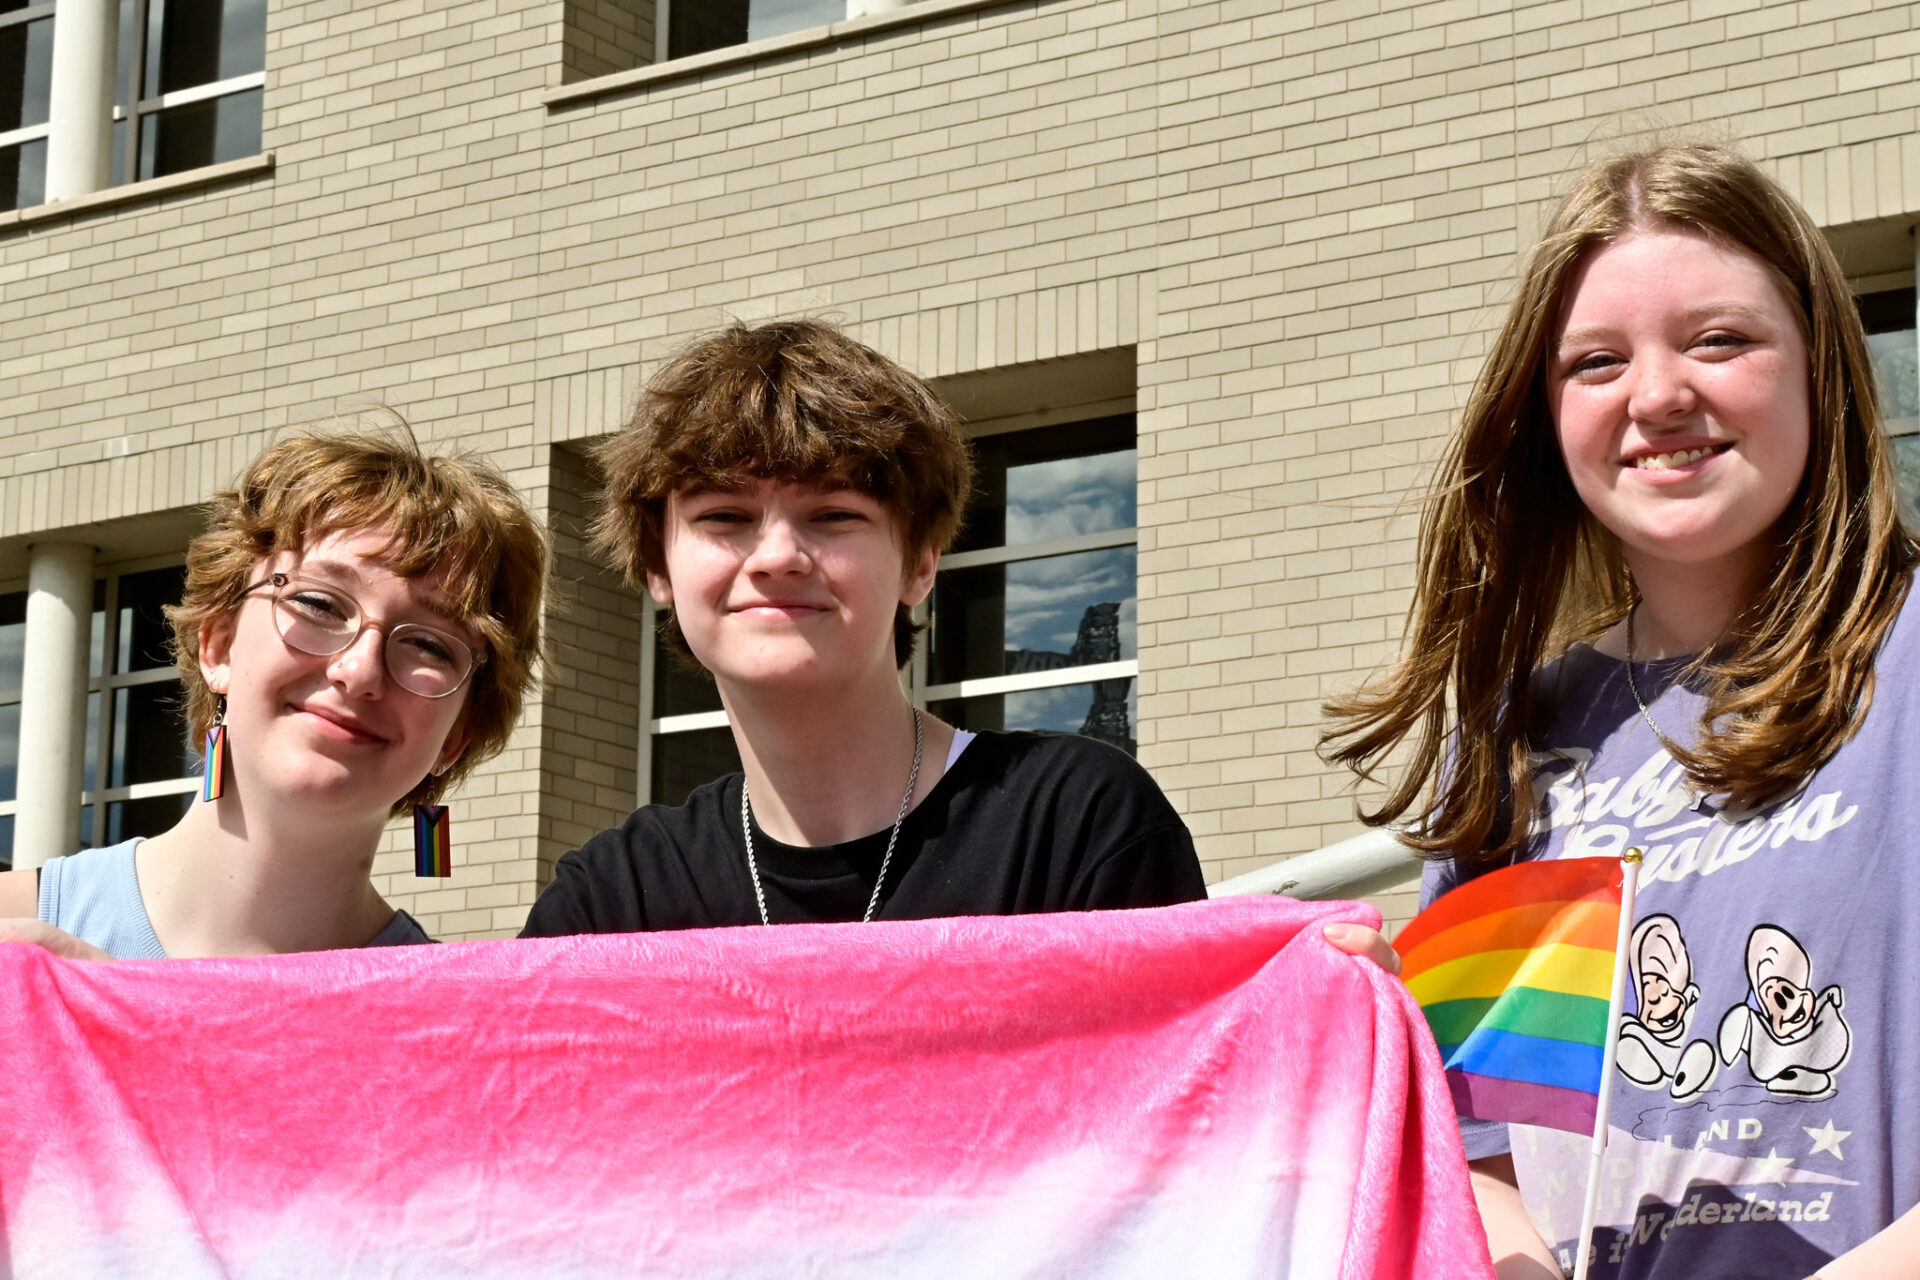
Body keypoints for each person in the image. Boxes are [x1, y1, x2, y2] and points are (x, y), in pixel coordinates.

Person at [1322, 143, 1920, 1280]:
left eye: (1720, 339)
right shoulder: (1506, 738)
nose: (1657, 394)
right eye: (1595, 361)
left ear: (1820, 367)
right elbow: (1477, 1139)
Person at [520, 319, 1213, 932]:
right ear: (658, 572)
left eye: (834, 516)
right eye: (724, 517)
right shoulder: (614, 900)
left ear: (919, 566)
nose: (778, 557)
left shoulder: (1076, 824)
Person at [0, 429, 548, 959]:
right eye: (319, 605)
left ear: (458, 733)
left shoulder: (456, 1024)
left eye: (430, 645)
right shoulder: (11, 934)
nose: (359, 671)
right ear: (218, 645)